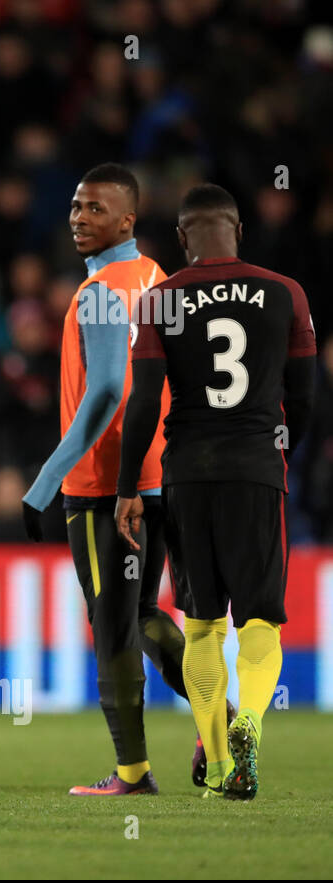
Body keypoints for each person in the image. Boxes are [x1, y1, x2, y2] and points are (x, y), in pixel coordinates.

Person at [116, 183, 317, 800]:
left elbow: (145, 401)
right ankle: (251, 723)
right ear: (238, 230)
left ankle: (224, 765)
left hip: (187, 475)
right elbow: (305, 396)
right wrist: (282, 446)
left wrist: (129, 488)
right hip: (256, 467)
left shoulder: (160, 301)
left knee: (202, 627)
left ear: (182, 238)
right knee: (262, 621)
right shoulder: (286, 292)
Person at [21, 163, 194, 796]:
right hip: (156, 478)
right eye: (74, 205)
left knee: (112, 626)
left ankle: (133, 773)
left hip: (102, 488)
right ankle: (222, 719)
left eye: (95, 209)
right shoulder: (160, 282)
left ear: (127, 219)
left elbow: (107, 391)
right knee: (143, 611)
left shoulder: (99, 293)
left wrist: (45, 481)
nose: (78, 217)